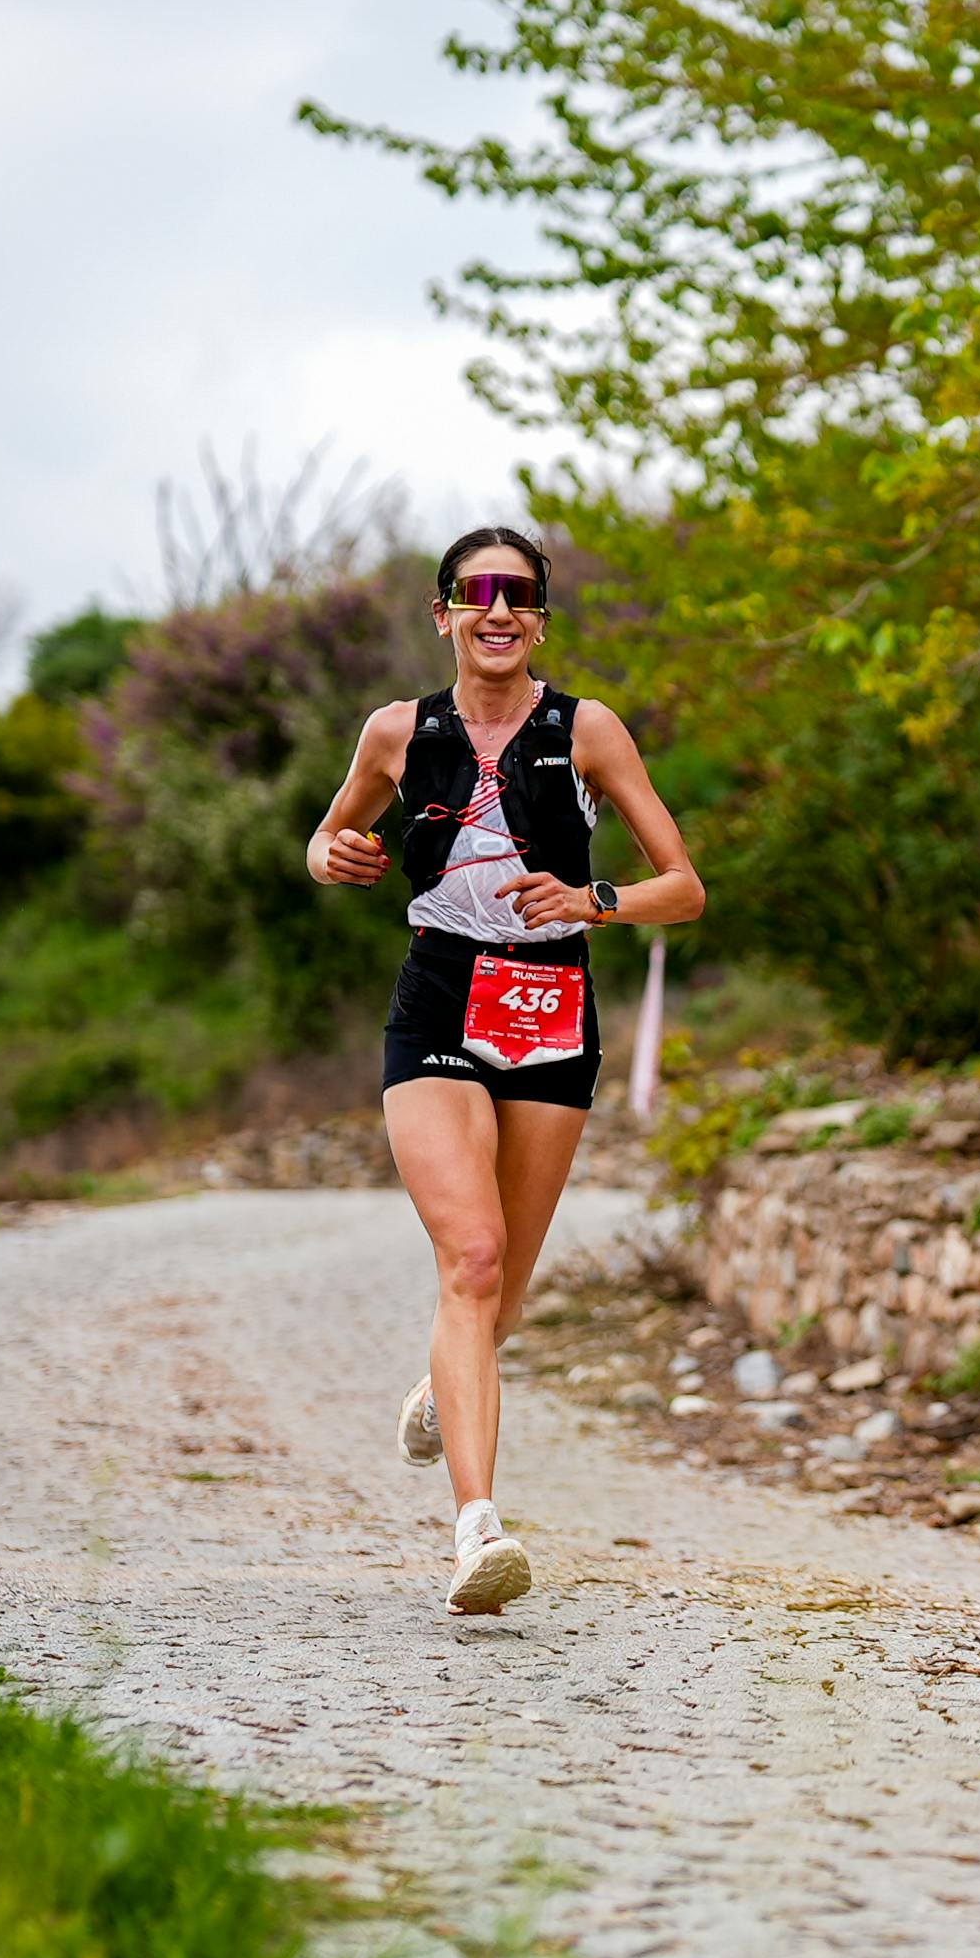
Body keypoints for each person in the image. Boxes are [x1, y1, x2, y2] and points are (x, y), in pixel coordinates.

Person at [307, 527, 703, 1614]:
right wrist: (329, 854)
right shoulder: (397, 732)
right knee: (471, 1258)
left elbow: (685, 885)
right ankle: (477, 1532)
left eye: (518, 594)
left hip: (549, 1004)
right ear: (443, 613)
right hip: (439, 992)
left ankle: (449, 1379)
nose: (497, 610)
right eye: (475, 593)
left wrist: (593, 900)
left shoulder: (587, 731)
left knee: (502, 1297)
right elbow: (328, 834)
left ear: (538, 616)